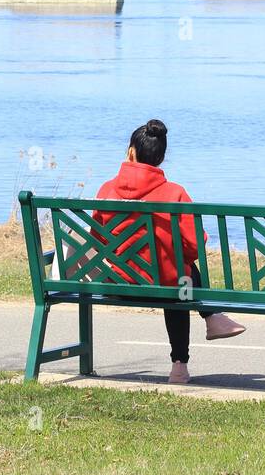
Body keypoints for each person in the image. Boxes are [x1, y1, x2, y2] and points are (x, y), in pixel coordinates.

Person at [94, 118, 244, 385]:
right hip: (167, 286)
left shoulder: (106, 190)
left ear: (130, 152)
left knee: (176, 276)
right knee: (180, 278)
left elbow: (97, 239)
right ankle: (182, 362)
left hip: (117, 283)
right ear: (161, 158)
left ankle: (213, 318)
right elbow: (196, 245)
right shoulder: (174, 193)